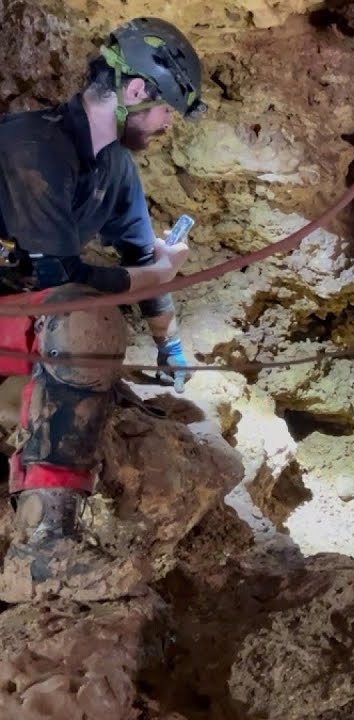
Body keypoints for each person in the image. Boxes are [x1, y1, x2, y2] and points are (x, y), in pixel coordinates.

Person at [0, 17, 205, 601]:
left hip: (16, 322)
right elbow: (61, 279)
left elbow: (143, 256)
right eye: (166, 110)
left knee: (104, 368)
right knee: (86, 318)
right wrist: (156, 273)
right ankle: (42, 550)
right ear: (135, 90)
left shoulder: (115, 170)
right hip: (15, 312)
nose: (167, 124)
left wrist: (169, 344)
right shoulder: (32, 145)